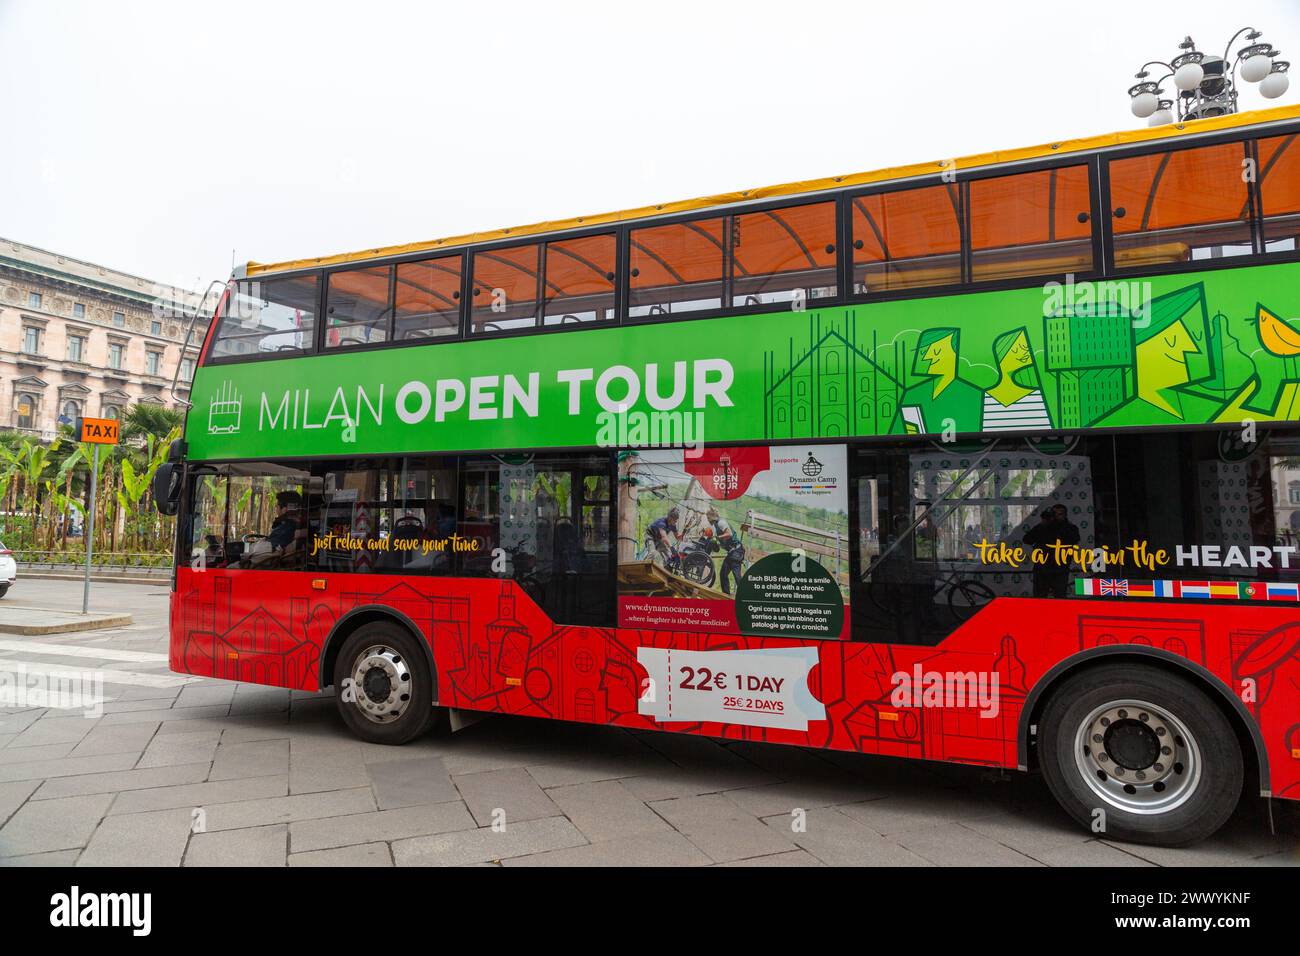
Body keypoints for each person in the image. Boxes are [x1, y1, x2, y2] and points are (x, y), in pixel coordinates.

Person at [1022, 504, 1080, 598]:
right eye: (1054, 514)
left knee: (1060, 597)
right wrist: (1043, 525)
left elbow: (1073, 540)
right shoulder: (1044, 527)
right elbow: (1027, 539)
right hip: (1042, 568)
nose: (1056, 516)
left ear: (1065, 515)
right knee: (1040, 597)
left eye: (1059, 514)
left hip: (1060, 569)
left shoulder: (1070, 528)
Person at [705, 505, 746, 595]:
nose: (707, 520)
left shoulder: (721, 523)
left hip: (736, 551)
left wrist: (717, 537)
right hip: (732, 553)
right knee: (723, 574)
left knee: (737, 576)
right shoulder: (716, 525)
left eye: (708, 518)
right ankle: (726, 595)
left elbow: (729, 534)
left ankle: (746, 594)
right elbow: (721, 543)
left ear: (712, 517)